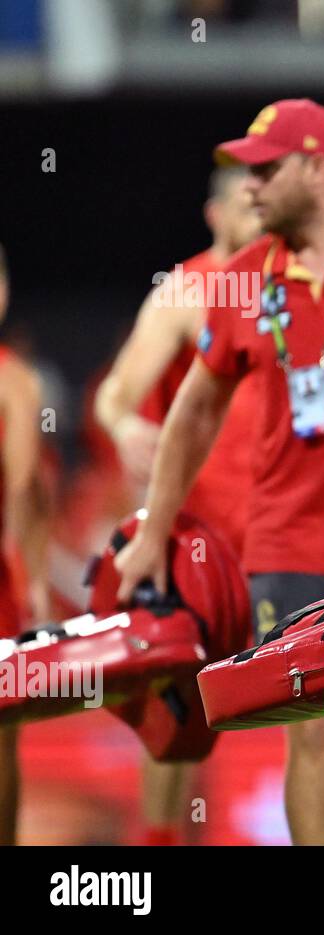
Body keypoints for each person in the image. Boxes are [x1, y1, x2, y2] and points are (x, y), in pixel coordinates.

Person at [112, 98, 324, 845]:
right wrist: (155, 531)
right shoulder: (243, 276)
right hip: (290, 543)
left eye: (265, 170)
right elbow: (195, 412)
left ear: (315, 167)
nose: (250, 188)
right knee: (311, 731)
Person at [93, 166, 262, 847]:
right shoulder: (190, 290)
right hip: (202, 540)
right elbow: (119, 388)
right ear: (215, 214)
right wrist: (123, 422)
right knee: (178, 713)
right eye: (247, 202)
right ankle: (156, 843)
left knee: (318, 708)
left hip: (293, 531)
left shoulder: (302, 282)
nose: (260, 212)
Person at [0, 243, 52, 846]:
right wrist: (33, 577)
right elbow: (23, 489)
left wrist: (33, 576)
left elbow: (24, 491)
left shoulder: (16, 380)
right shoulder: (15, 379)